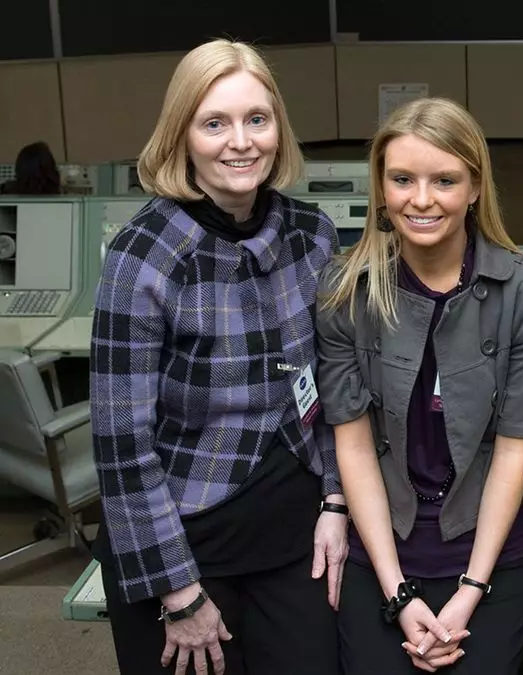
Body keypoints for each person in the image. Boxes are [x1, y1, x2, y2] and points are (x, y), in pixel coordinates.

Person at [89, 38, 346, 675]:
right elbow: (121, 443)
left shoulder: (313, 235)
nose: (241, 141)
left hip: (294, 529)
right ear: (183, 136)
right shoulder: (142, 257)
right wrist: (177, 592)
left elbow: (338, 385)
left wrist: (337, 504)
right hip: (181, 538)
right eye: (215, 123)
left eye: (257, 119)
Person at [315, 96, 523, 675]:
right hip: (383, 555)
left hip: (492, 559)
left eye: (444, 180)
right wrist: (398, 594)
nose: (421, 200)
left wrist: (471, 589)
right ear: (380, 186)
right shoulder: (346, 292)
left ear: (475, 188)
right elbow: (353, 448)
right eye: (402, 179)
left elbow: (513, 451)